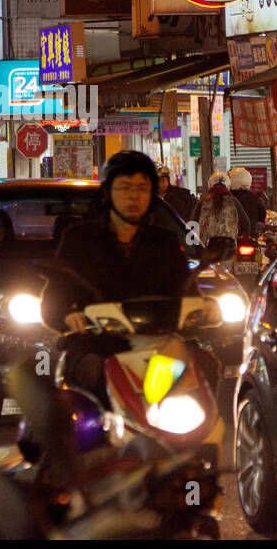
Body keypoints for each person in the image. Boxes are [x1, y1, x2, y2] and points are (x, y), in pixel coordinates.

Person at [41, 151, 190, 394]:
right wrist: (69, 316)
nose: (134, 195)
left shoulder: (166, 243)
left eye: (142, 188)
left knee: (202, 367)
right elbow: (54, 299)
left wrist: (204, 309)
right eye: (125, 187)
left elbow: (187, 292)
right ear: (108, 192)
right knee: (94, 372)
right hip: (96, 346)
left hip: (156, 345)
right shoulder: (79, 240)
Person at [191, 171, 246, 249]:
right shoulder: (233, 201)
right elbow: (246, 224)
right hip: (229, 248)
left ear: (210, 185)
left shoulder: (203, 200)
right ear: (228, 185)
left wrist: (193, 246)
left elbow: (193, 223)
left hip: (206, 249)